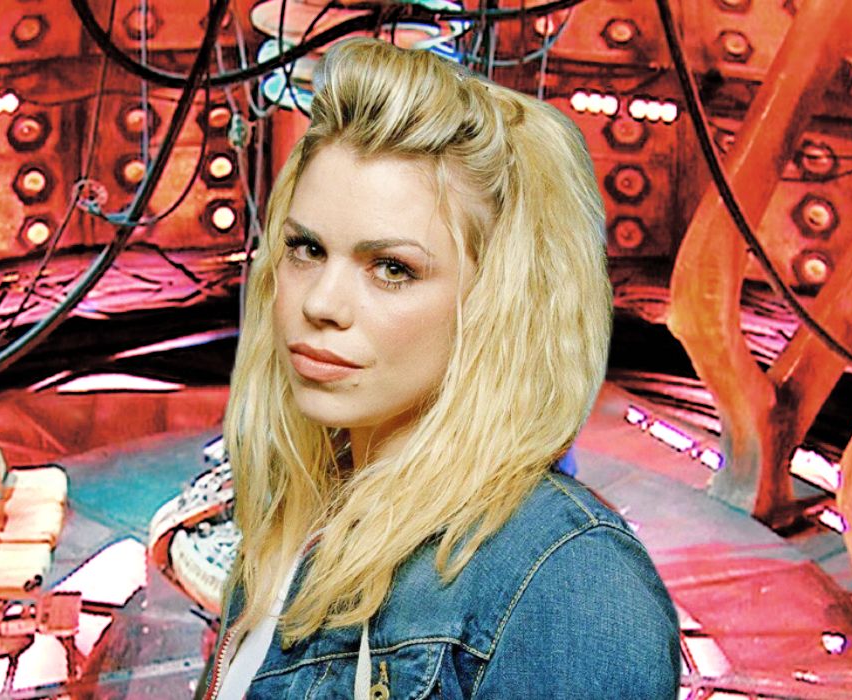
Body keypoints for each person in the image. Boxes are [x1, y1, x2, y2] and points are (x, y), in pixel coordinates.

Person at [196, 36, 681, 699]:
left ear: (495, 303)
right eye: (307, 248)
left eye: (392, 268)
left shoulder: (567, 577)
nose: (320, 304)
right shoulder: (295, 526)